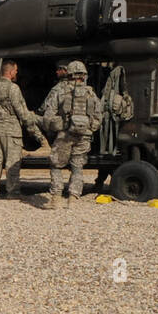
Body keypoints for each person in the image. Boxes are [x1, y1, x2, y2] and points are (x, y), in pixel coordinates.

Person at [42, 61, 103, 207]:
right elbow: (98, 116)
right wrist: (88, 129)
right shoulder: (91, 94)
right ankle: (73, 198)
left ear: (68, 74)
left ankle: (56, 198)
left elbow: (48, 115)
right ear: (84, 75)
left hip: (65, 135)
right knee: (77, 166)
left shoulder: (59, 92)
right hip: (84, 136)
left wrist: (53, 128)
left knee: (56, 164)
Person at [0, 60, 44, 199]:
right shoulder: (13, 89)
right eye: (16, 71)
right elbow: (22, 113)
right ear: (10, 72)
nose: (17, 73)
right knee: (12, 164)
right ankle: (13, 193)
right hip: (12, 132)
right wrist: (36, 134)